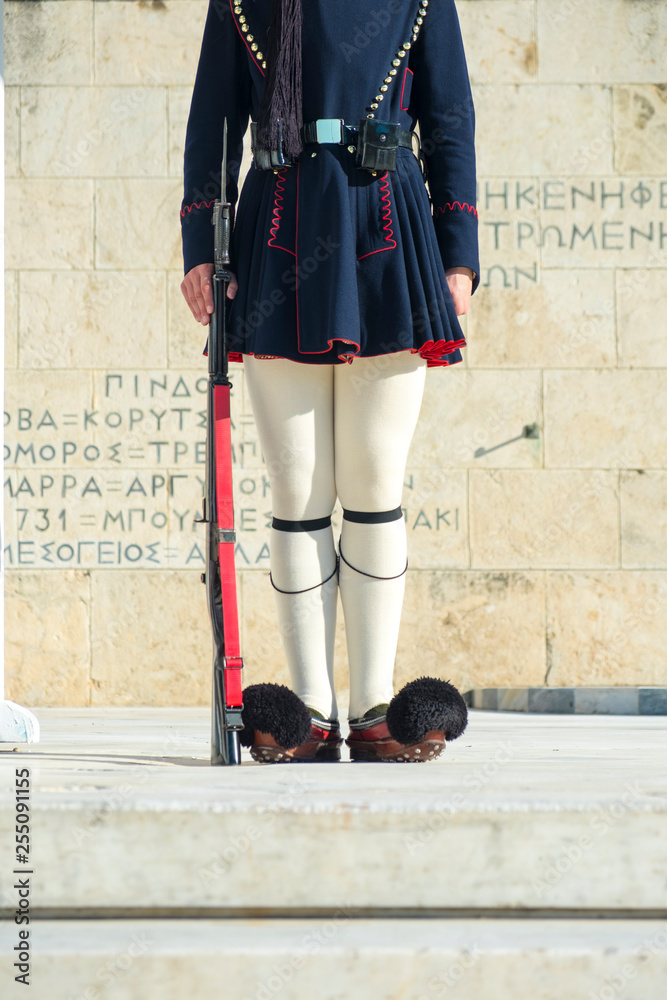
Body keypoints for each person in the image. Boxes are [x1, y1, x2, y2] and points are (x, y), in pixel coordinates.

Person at [181, 0, 477, 762]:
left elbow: (448, 123)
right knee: (299, 487)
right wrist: (199, 245)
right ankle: (310, 709)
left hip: (386, 221)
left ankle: (376, 706)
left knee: (374, 479)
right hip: (279, 227)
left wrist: (458, 255)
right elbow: (213, 123)